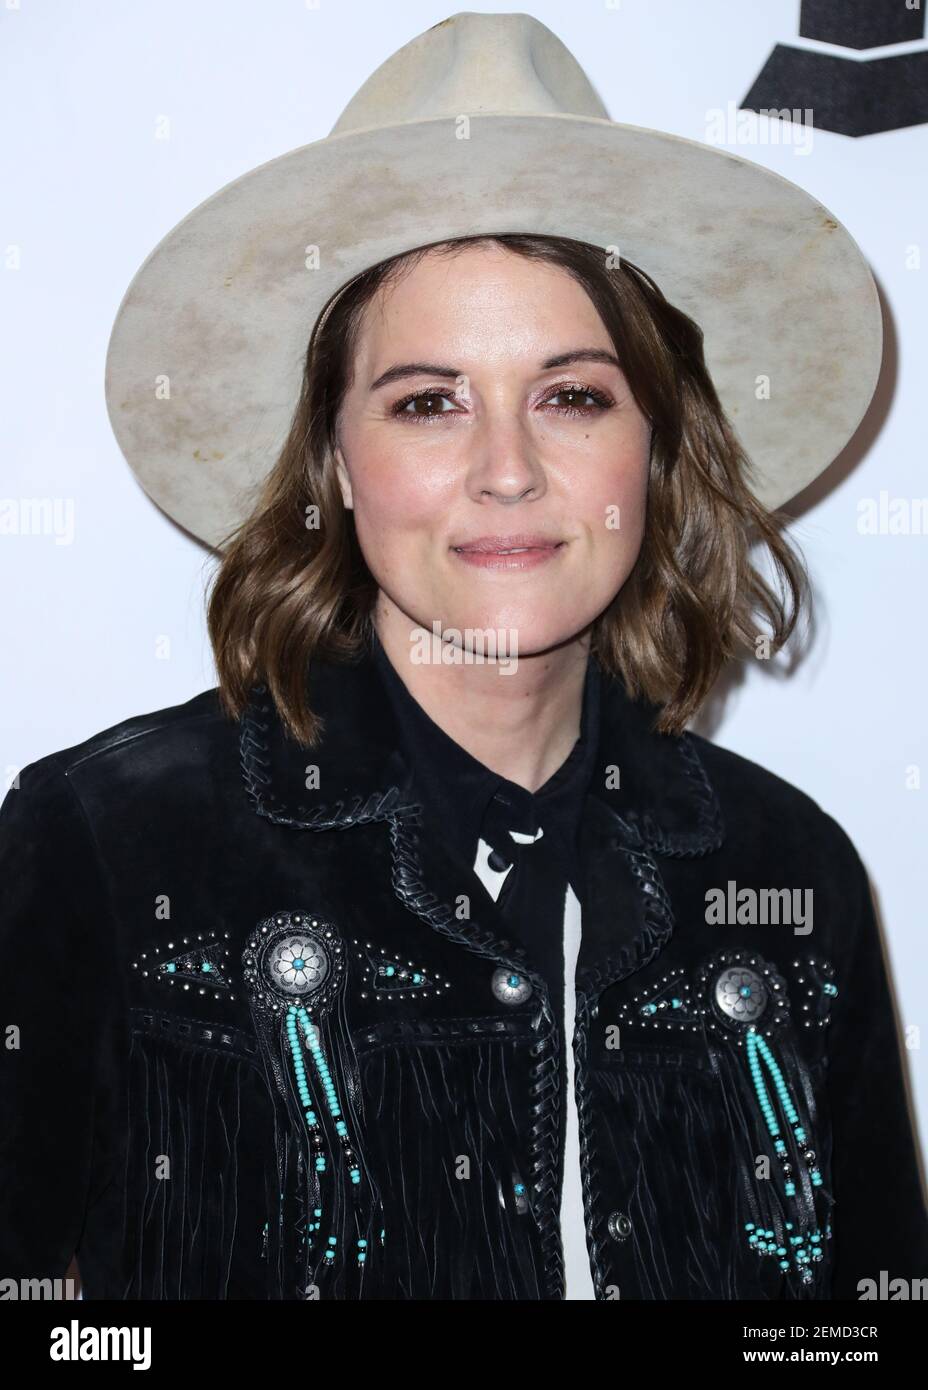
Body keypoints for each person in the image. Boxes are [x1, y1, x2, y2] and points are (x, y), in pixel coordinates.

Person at [1, 12, 926, 1301]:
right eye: (428, 402)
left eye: (575, 396)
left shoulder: (792, 873)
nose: (506, 471)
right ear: (334, 461)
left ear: (657, 452)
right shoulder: (106, 842)